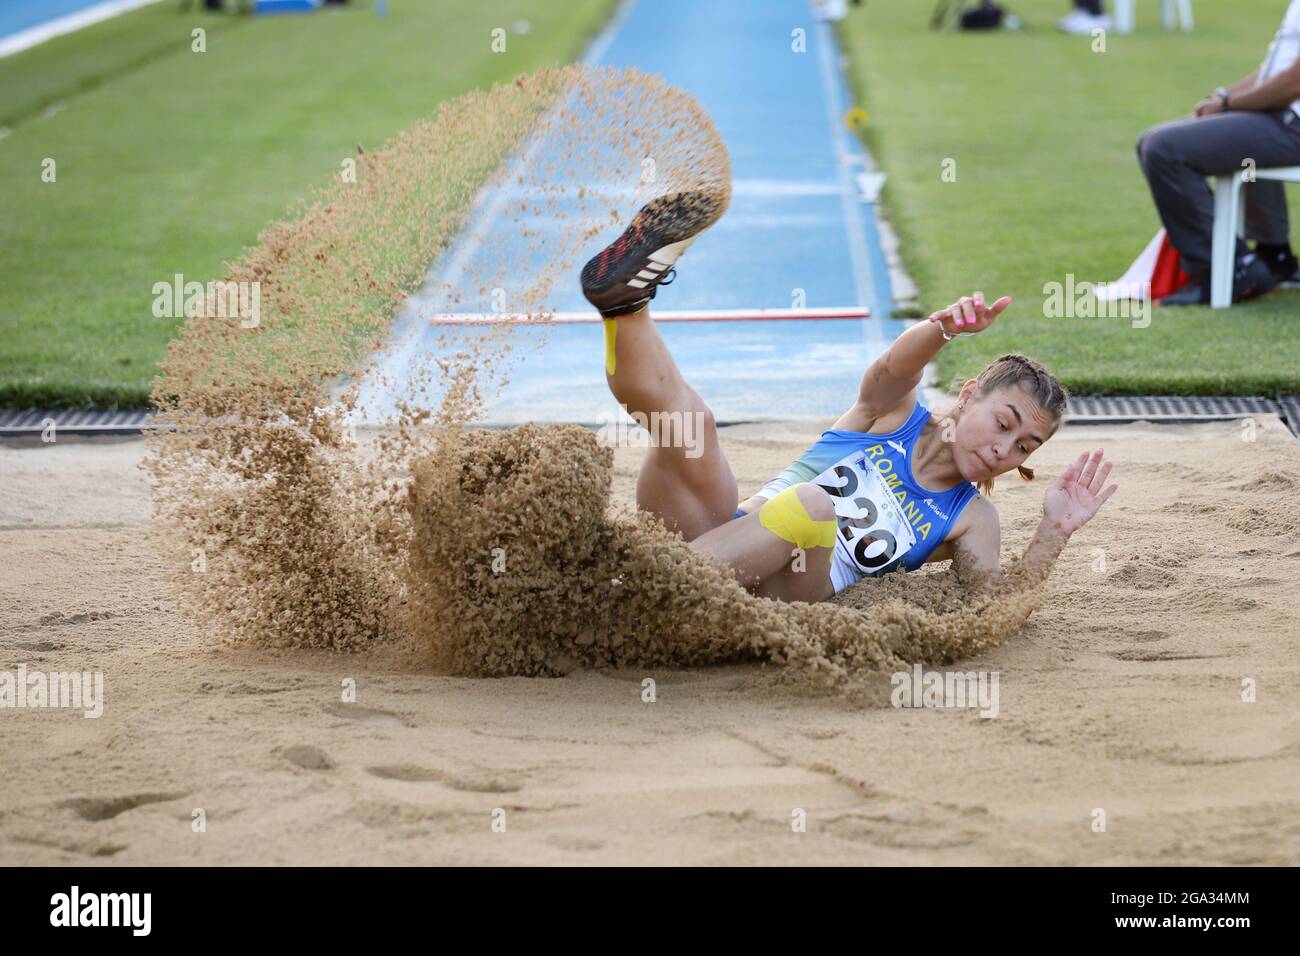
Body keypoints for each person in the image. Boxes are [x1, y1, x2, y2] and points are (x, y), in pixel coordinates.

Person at [580, 192, 1118, 603]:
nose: (1007, 451)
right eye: (1004, 425)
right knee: (691, 428)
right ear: (970, 394)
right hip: (721, 539)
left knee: (815, 506)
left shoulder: (973, 517)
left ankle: (634, 596)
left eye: (1026, 447)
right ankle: (624, 303)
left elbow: (994, 606)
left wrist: (1054, 532)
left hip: (776, 600)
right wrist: (942, 329)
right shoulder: (893, 414)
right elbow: (893, 369)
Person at [1136, 1, 1300, 305]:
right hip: (1283, 119)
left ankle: (1233, 269)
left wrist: (1227, 106)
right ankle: (1274, 254)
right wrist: (1225, 97)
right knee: (1156, 139)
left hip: (1292, 125)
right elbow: (1274, 71)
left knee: (1163, 148)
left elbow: (1293, 83)